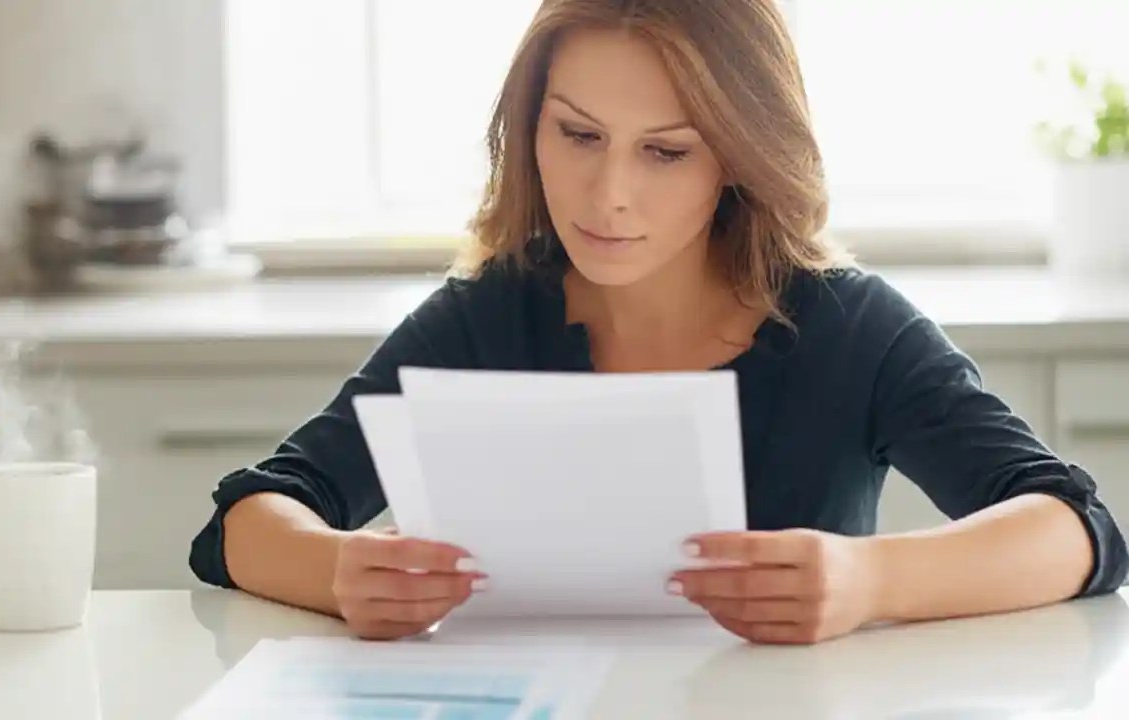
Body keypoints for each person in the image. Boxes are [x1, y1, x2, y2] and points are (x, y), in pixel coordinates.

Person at [189, 0, 1128, 644]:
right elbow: (247, 519)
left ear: (740, 159)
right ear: (530, 130)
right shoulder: (485, 318)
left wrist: (873, 583)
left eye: (666, 153)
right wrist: (341, 569)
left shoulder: (849, 328)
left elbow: (1078, 531)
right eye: (579, 135)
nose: (609, 195)